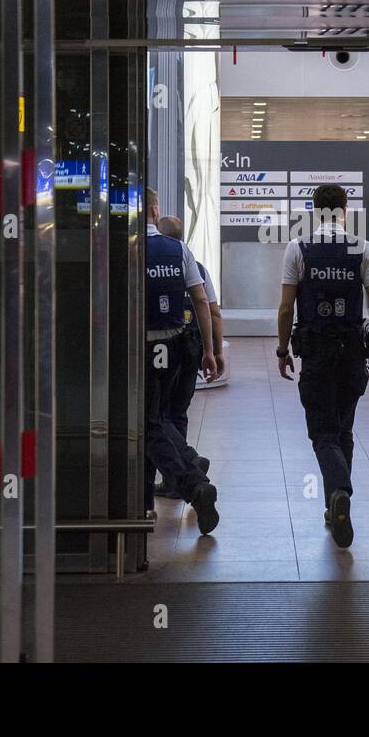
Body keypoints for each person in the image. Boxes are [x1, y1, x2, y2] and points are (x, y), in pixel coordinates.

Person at [276, 184, 369, 548]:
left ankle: (338, 493)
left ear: (316, 211)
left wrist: (282, 350)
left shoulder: (298, 248)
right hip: (352, 354)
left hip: (316, 353)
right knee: (344, 430)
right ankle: (337, 507)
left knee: (323, 432)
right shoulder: (364, 249)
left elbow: (286, 308)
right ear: (345, 211)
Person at [144, 188, 220, 534]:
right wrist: (209, 350)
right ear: (155, 210)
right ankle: (189, 464)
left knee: (149, 423)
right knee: (161, 418)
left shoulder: (129, 249)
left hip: (141, 348)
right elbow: (202, 301)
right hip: (176, 345)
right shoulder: (179, 249)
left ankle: (192, 483)